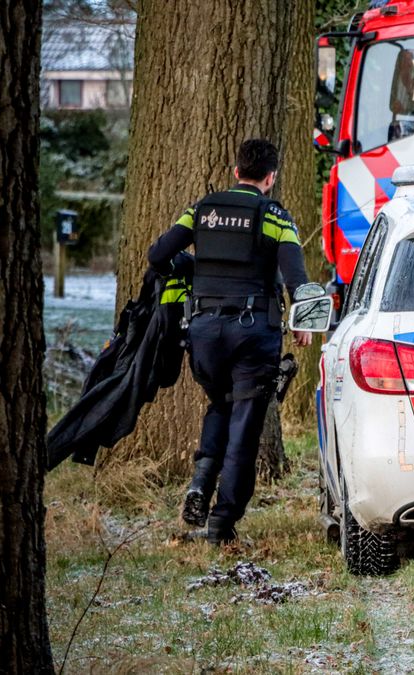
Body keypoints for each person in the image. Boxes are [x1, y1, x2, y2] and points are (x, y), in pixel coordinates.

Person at [148, 138, 312, 544]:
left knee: (220, 404)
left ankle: (200, 484)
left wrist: (191, 265)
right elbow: (297, 280)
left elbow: (157, 255)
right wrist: (305, 323)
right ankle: (222, 524)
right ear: (270, 178)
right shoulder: (275, 217)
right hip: (253, 336)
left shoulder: (202, 210)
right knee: (244, 426)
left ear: (235, 171)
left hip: (203, 334)